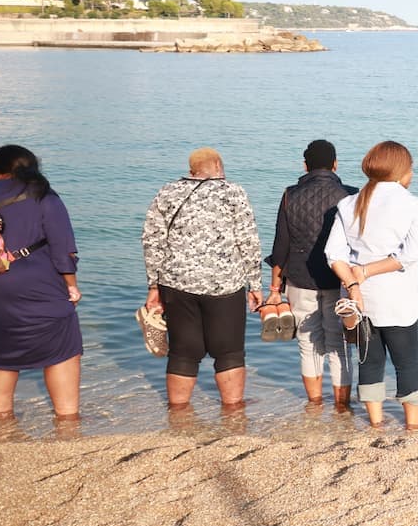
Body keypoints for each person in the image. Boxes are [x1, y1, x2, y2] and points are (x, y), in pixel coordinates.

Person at [0, 145, 82, 424]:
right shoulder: (43, 196)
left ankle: (0, 425)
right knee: (62, 352)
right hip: (30, 287)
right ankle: (67, 422)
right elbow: (64, 252)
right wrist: (71, 286)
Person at [142, 148, 262, 411]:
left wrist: (153, 284)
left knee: (183, 352)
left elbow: (152, 241)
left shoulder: (168, 192)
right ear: (218, 166)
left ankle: (179, 414)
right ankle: (232, 412)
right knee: (228, 351)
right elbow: (248, 241)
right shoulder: (233, 192)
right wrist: (255, 284)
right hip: (224, 284)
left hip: (176, 283)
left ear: (191, 169)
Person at [325, 141, 418, 430]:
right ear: (402, 170)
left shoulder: (348, 204)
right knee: (407, 363)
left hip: (360, 301)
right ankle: (413, 426)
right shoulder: (413, 205)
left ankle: (376, 424)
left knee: (369, 362)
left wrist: (353, 283)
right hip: (399, 299)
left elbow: (333, 255)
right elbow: (409, 256)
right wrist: (367, 271)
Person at [265, 139, 358, 410]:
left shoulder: (290, 195)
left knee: (308, 344)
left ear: (305, 166)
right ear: (335, 164)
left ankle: (314, 404)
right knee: (339, 345)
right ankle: (342, 406)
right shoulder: (351, 194)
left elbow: (281, 245)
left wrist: (274, 288)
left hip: (299, 279)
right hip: (338, 280)